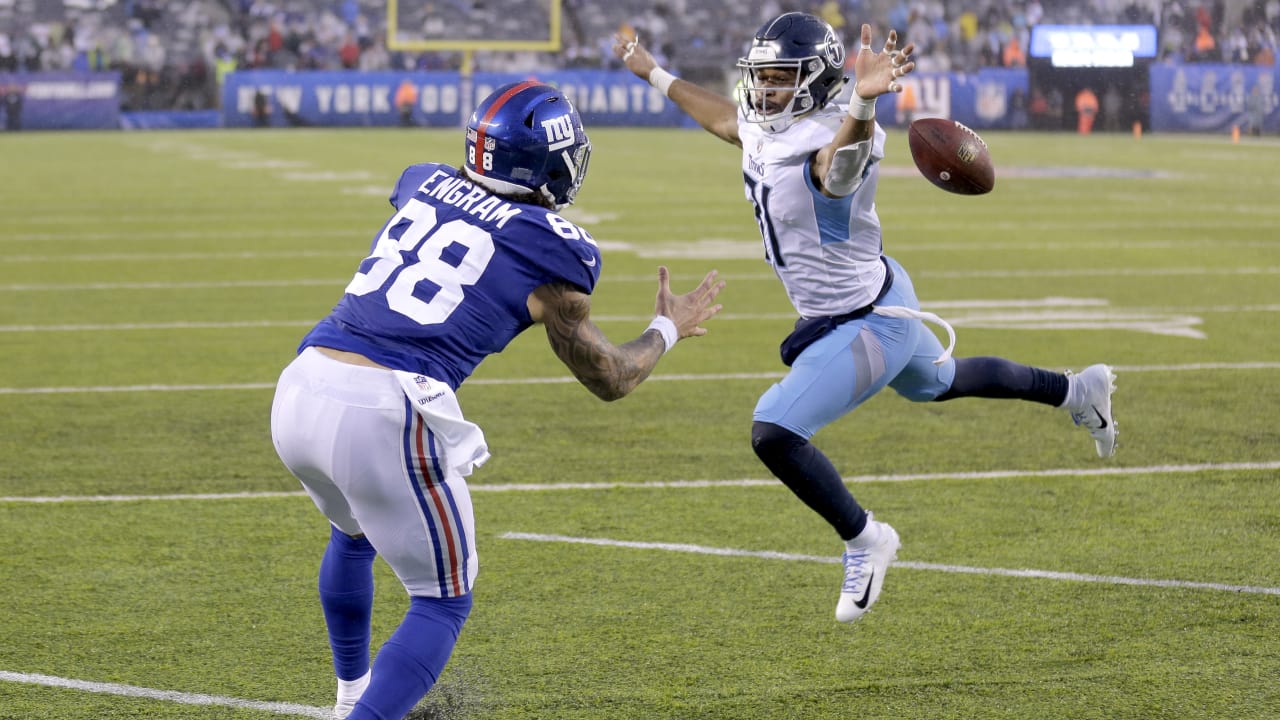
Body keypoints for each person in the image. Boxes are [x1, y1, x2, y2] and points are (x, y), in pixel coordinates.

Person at [613, 13, 1116, 624]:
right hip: (881, 291)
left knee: (773, 430)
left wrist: (863, 102)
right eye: (762, 77)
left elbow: (836, 170)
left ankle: (865, 538)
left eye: (778, 78)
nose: (763, 91)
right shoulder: (772, 123)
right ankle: (1076, 390)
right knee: (942, 380)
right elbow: (723, 116)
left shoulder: (839, 136)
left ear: (817, 81)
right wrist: (651, 71)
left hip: (866, 321)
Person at [270, 81, 725, 720]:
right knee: (442, 601)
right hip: (386, 405)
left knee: (352, 533)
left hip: (302, 383)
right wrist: (667, 328)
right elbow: (609, 378)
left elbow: (432, 198)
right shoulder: (553, 248)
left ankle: (350, 698)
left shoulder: (420, 180)